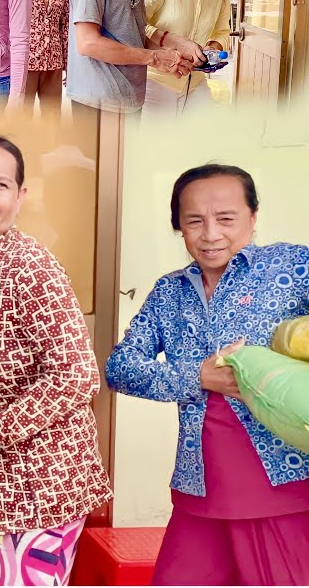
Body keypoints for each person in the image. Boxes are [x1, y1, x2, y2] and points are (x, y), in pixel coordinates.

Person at [106, 165, 309, 585]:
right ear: (178, 226)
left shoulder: (293, 266)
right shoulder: (170, 291)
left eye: (226, 218)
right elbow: (120, 368)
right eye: (194, 220)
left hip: (281, 481)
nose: (210, 233)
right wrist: (195, 376)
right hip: (198, 483)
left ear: (253, 218)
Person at [0, 133, 112, 585]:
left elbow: (77, 376)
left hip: (42, 474)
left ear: (21, 196)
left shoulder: (32, 268)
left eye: (1, 185)